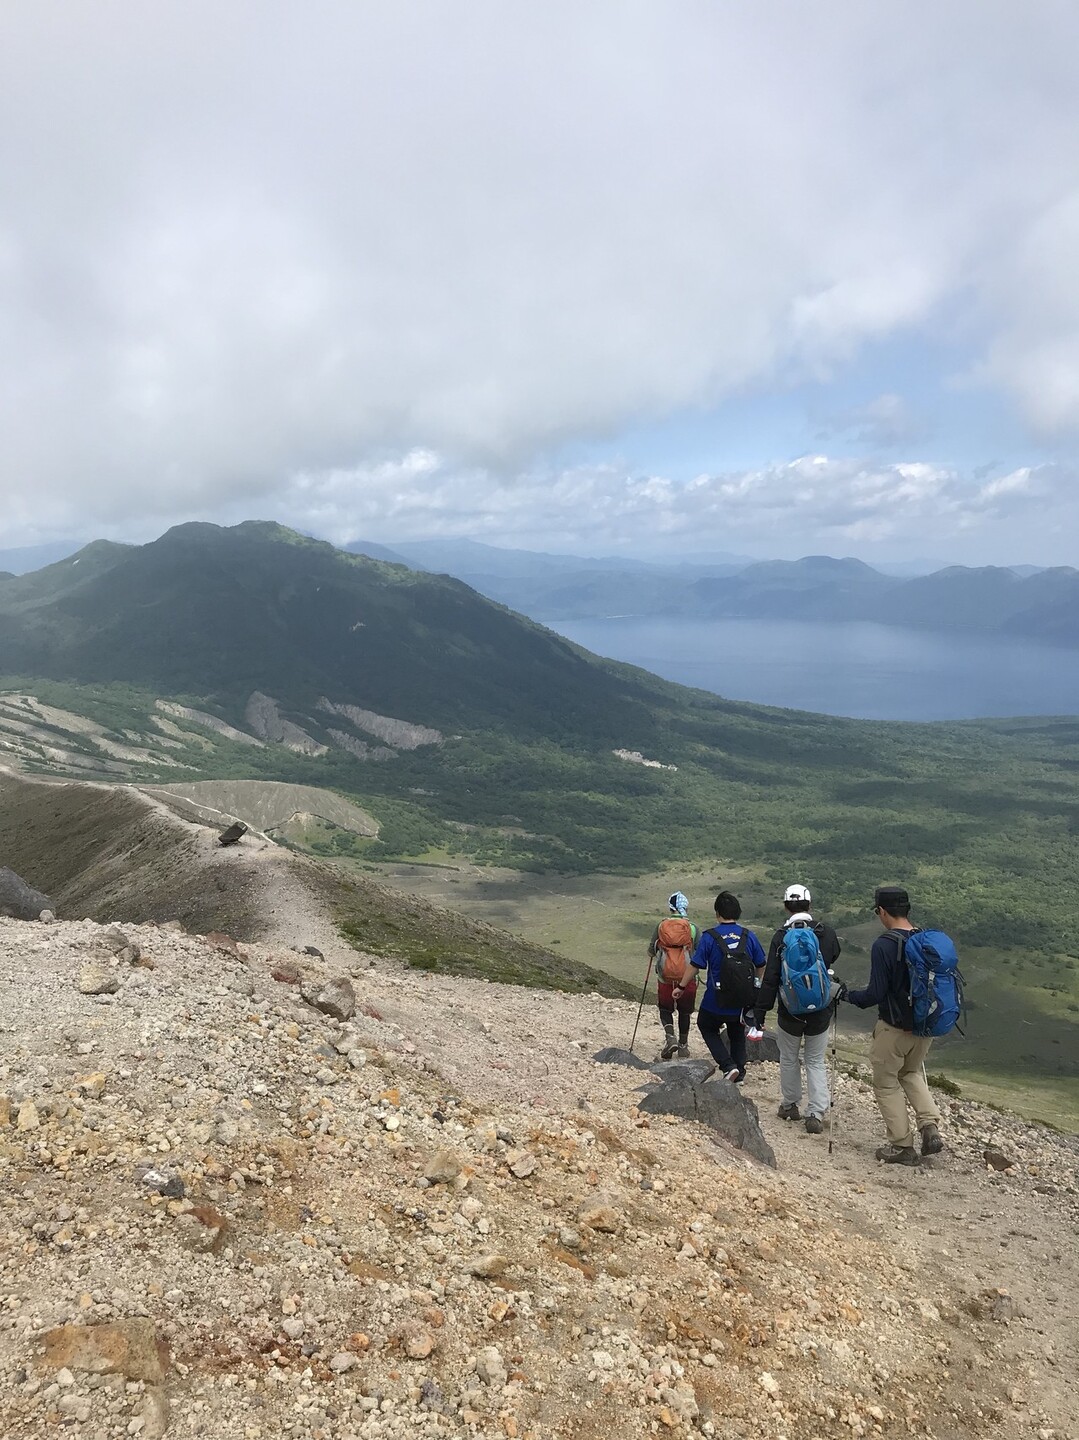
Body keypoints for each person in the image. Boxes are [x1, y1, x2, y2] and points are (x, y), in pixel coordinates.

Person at [841, 885, 944, 1165]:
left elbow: (874, 994)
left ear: (882, 911)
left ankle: (902, 1147)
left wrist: (846, 995)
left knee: (886, 1084)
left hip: (894, 1029)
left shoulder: (884, 945)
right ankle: (929, 1126)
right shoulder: (924, 939)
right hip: (925, 1027)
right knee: (911, 1074)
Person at [754, 884, 842, 1135]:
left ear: (785, 906)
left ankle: (790, 1105)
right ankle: (815, 1112)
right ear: (810, 906)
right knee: (815, 1060)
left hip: (790, 1011)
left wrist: (760, 1012)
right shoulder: (827, 933)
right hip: (820, 1010)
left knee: (789, 1058)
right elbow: (833, 956)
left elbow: (771, 978)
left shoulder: (781, 936)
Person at [690, 891, 766, 1081]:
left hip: (715, 1000)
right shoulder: (749, 936)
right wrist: (755, 986)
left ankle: (727, 1065)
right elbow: (761, 964)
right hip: (742, 998)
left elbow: (695, 965)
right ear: (738, 913)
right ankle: (739, 1072)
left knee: (706, 1026)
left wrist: (681, 987)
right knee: (736, 1032)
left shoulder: (709, 937)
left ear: (717, 913)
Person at [648, 892, 699, 1059]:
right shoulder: (692, 928)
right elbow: (699, 953)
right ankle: (683, 1046)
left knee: (665, 1009)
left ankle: (670, 1038)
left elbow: (651, 950)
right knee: (685, 1012)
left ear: (671, 907)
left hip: (665, 977)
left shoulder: (661, 926)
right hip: (688, 978)